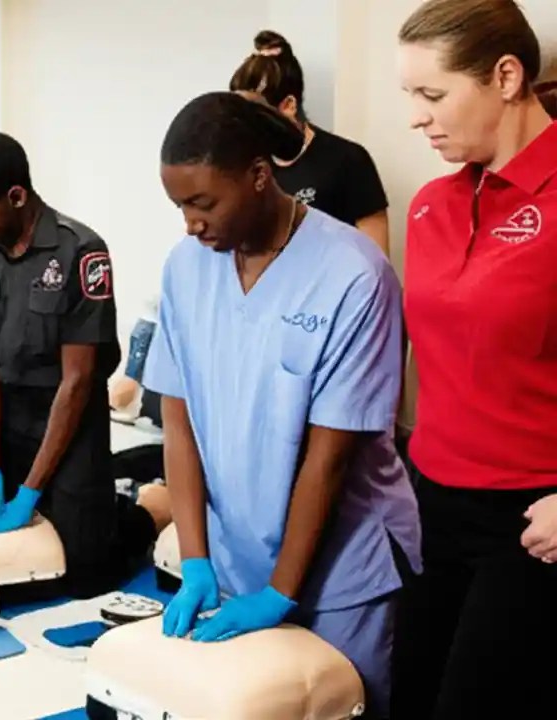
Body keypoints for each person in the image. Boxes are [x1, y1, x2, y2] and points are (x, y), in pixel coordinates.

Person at [143, 91, 419, 718]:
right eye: (179, 205)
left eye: (202, 202)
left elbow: (331, 456)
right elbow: (178, 425)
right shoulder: (186, 269)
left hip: (343, 570)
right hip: (238, 558)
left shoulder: (354, 273)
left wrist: (280, 591)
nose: (190, 222)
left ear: (260, 177)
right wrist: (194, 558)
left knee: (340, 707)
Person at [391, 2, 557, 717]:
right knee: (409, 696)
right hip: (432, 499)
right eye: (410, 98)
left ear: (507, 77)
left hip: (532, 519)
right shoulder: (431, 205)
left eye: (433, 95)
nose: (417, 118)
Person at [0, 132, 160, 600]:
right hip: (7, 410)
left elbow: (79, 380)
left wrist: (30, 491)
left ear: (17, 196)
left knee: (85, 572)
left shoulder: (80, 251)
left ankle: (147, 511)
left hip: (68, 412)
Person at [230, 31, 392, 254]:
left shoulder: (348, 159)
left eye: (256, 115)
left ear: (288, 105)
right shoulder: (249, 166)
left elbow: (377, 259)